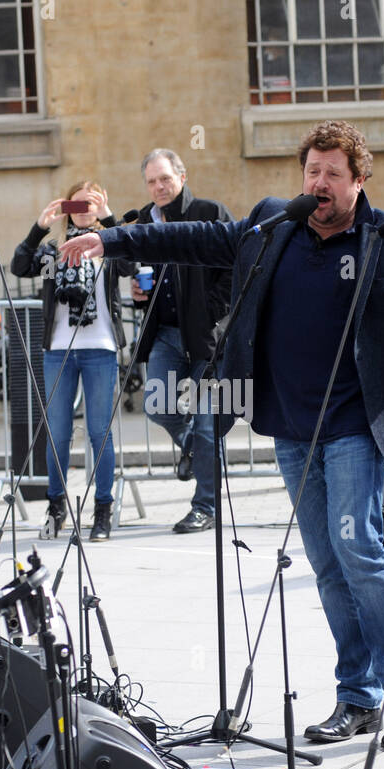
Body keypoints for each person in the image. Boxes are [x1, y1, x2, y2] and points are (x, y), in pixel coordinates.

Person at [60, 121, 384, 749]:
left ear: (358, 180)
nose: (319, 184)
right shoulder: (274, 223)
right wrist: (113, 239)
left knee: (359, 549)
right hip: (290, 425)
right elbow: (196, 237)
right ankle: (359, 697)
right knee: (327, 565)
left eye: (332, 174)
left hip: (354, 425)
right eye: (312, 172)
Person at [10, 181, 136, 542]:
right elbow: (20, 266)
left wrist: (111, 221)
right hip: (59, 349)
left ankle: (102, 510)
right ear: (66, 208)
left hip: (100, 348)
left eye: (92, 202)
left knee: (100, 433)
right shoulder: (54, 253)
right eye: (77, 202)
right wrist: (39, 228)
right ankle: (55, 507)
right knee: (58, 434)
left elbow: (129, 265)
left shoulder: (107, 249)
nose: (83, 208)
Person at [131, 149, 233, 534]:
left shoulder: (210, 212)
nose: (159, 187)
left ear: (182, 177)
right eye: (152, 181)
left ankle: (206, 506)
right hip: (166, 335)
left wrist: (209, 309)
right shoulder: (144, 221)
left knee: (209, 426)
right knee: (158, 406)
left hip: (208, 338)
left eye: (165, 179)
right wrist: (138, 291)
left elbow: (237, 267)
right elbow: (133, 266)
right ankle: (194, 448)